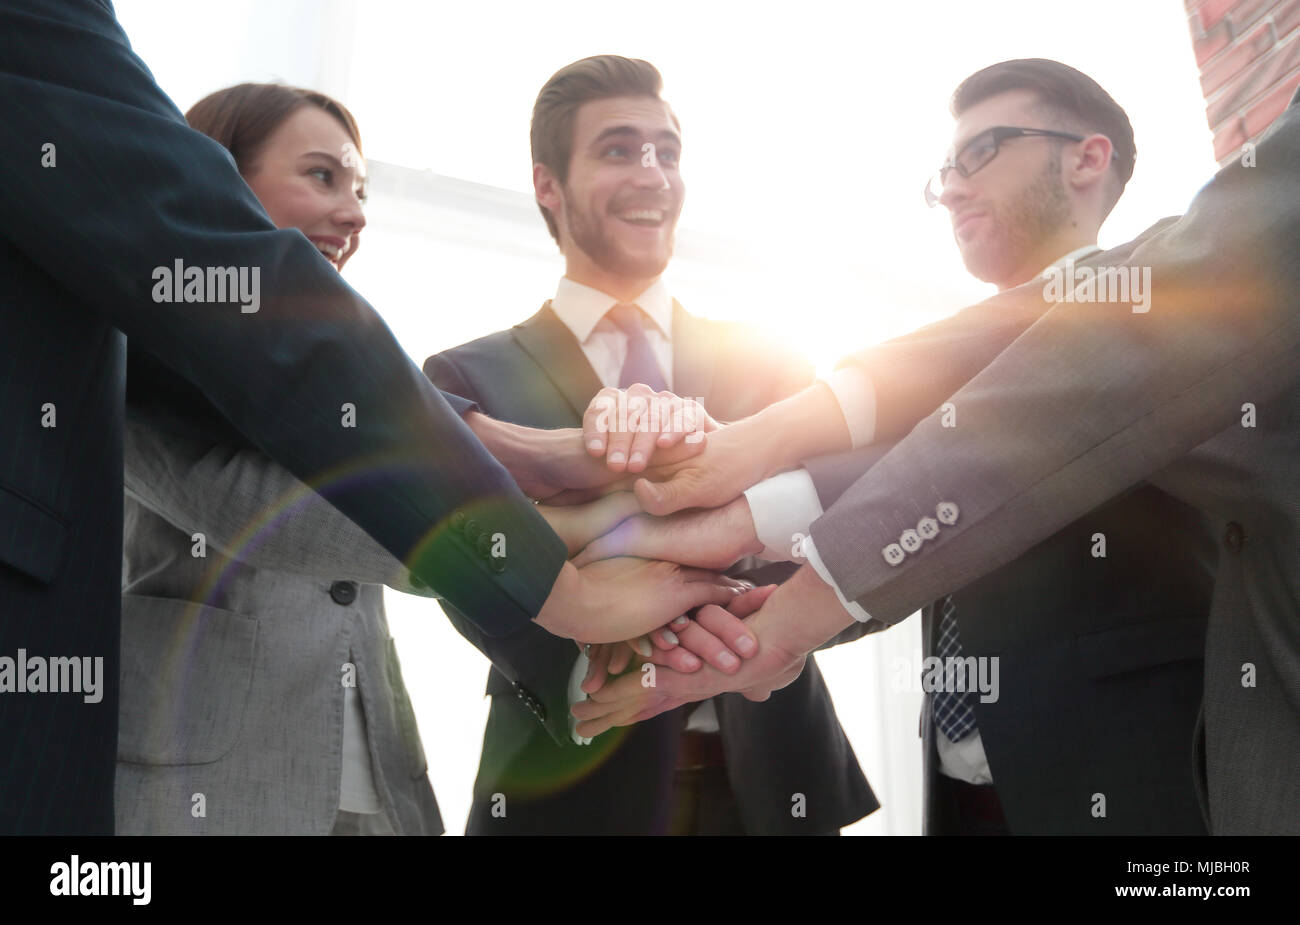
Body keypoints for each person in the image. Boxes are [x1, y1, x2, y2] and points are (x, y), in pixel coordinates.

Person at [0, 0, 738, 835]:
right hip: (206, 788)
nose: (353, 212)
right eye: (321, 176)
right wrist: (566, 548)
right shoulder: (132, 353)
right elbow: (249, 504)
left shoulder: (383, 387)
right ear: (218, 182)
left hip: (379, 782)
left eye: (359, 187)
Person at [573, 87, 1300, 837]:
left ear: (1087, 158)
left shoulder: (1181, 301)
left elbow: (1038, 416)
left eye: (980, 152)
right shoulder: (927, 378)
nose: (950, 187)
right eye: (942, 171)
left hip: (1141, 783)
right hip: (961, 792)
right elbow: (877, 526)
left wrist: (730, 521)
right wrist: (674, 600)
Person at [423, 55, 878, 835]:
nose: (653, 173)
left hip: (775, 790)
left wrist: (706, 619)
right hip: (567, 787)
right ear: (547, 184)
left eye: (667, 151)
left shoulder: (770, 359)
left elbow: (848, 523)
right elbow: (465, 566)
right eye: (618, 149)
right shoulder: (464, 379)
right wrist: (589, 666)